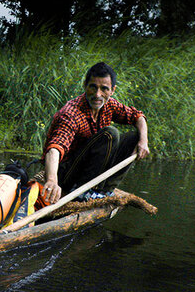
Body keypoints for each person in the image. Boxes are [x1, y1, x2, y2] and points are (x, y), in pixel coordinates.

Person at [42, 62, 149, 205]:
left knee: (135, 137)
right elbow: (55, 148)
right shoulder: (71, 113)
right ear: (85, 85)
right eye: (93, 87)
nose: (97, 94)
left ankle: (104, 190)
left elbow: (138, 116)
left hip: (90, 168)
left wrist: (144, 141)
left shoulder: (109, 104)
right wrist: (52, 180)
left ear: (112, 90)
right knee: (110, 134)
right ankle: (82, 190)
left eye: (104, 89)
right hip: (66, 173)